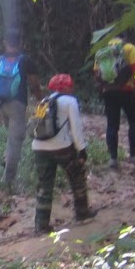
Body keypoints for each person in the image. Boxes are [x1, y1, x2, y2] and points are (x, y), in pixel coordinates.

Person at [31, 74, 97, 231]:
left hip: (39, 147)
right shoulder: (70, 101)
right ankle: (82, 213)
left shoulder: (43, 101)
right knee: (77, 177)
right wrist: (82, 149)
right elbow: (76, 128)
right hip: (62, 147)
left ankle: (41, 224)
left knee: (44, 185)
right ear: (68, 87)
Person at [0, 33, 40, 194]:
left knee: (13, 137)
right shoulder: (26, 61)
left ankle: (6, 159)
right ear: (21, 42)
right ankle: (8, 182)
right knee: (16, 141)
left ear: (4, 42)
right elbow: (34, 85)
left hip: (2, 105)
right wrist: (42, 101)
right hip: (17, 105)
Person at [95, 40, 135, 168]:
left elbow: (97, 74)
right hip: (127, 91)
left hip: (109, 92)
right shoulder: (129, 48)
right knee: (134, 122)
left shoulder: (102, 51)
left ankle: (113, 159)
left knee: (112, 125)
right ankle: (132, 155)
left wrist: (103, 89)